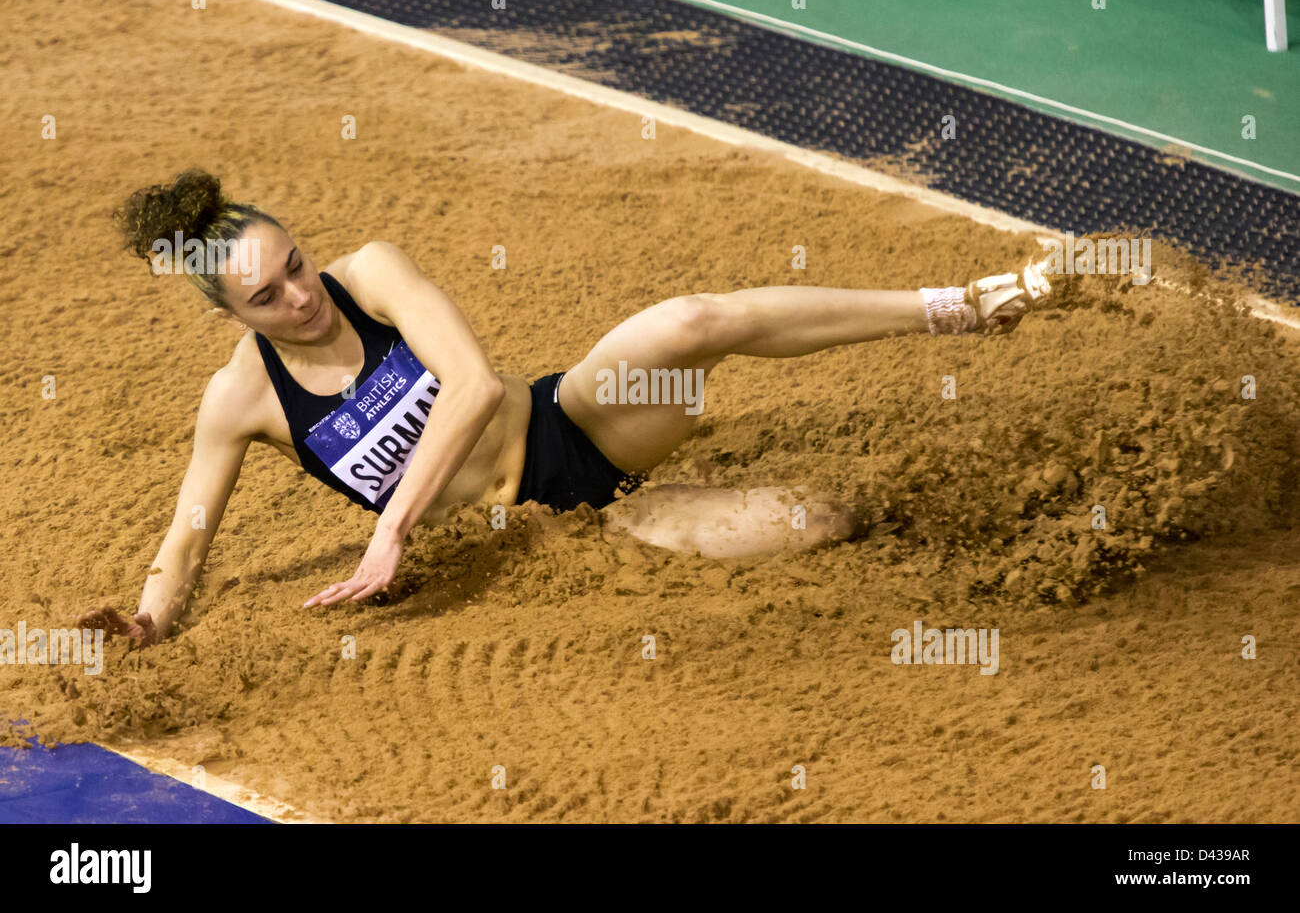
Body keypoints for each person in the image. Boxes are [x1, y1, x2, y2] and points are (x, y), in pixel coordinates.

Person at [78, 168, 1051, 647]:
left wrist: (390, 532)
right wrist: (151, 619)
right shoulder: (238, 400)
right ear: (227, 313)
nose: (300, 295)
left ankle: (966, 305)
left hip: (568, 429)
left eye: (294, 264)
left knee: (688, 323)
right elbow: (190, 529)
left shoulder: (369, 274)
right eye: (267, 297)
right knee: (821, 518)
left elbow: (476, 386)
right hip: (546, 537)